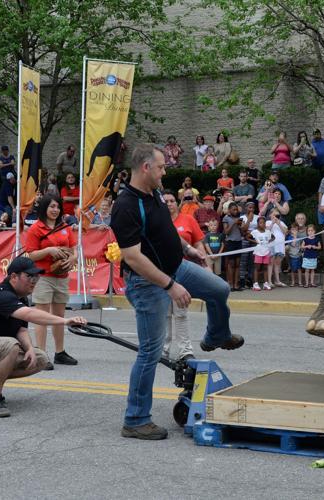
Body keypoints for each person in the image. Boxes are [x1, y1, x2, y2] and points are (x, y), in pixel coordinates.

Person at [110, 143, 244, 440]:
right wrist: (170, 286)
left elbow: (166, 231)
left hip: (176, 267)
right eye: (161, 167)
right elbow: (132, 257)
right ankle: (135, 419)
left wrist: (188, 250)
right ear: (145, 168)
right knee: (150, 352)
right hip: (147, 284)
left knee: (219, 289)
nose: (165, 171)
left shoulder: (154, 193)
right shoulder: (126, 206)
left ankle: (216, 335)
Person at [0, 257, 87, 417]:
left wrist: (29, 349)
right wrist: (65, 321)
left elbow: (20, 328)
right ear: (14, 277)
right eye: (29, 276)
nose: (34, 281)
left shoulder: (20, 297)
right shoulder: (2, 295)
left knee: (40, 358)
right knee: (8, 345)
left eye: (37, 277)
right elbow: (30, 314)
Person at [24, 194, 78, 370]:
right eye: (51, 207)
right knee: (42, 316)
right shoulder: (35, 229)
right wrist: (48, 250)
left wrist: (73, 259)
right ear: (44, 208)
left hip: (61, 276)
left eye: (57, 207)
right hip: (43, 277)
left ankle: (60, 352)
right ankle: (41, 354)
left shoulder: (65, 227)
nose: (55, 210)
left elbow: (73, 250)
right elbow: (31, 254)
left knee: (59, 317)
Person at [161, 190, 207, 362]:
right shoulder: (157, 222)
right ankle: (163, 351)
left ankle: (184, 351)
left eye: (172, 200)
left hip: (183, 272)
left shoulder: (187, 220)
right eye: (165, 201)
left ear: (177, 203)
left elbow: (198, 242)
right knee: (164, 313)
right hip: (162, 273)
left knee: (181, 313)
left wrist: (202, 259)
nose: (169, 204)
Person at [247, 215, 274, 291]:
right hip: (258, 252)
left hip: (266, 252)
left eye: (264, 223)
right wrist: (255, 241)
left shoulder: (268, 232)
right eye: (261, 223)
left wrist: (270, 241)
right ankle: (255, 284)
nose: (263, 224)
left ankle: (266, 284)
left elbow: (273, 237)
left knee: (265, 267)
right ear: (258, 224)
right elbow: (247, 237)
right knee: (257, 268)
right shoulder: (255, 232)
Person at [222, 202, 244, 289]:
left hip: (238, 242)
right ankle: (230, 284)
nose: (235, 211)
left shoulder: (239, 218)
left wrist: (240, 226)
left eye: (236, 210)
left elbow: (242, 232)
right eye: (233, 210)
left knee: (237, 264)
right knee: (231, 264)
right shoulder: (226, 218)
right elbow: (226, 232)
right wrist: (233, 223)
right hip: (230, 242)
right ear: (229, 210)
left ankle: (236, 284)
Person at [268, 209, 288, 287]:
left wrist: (279, 223)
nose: (276, 217)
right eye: (274, 215)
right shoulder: (268, 222)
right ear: (270, 215)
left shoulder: (282, 223)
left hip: (280, 246)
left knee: (277, 263)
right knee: (270, 263)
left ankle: (277, 281)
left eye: (277, 215)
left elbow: (286, 232)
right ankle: (269, 281)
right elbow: (266, 231)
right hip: (272, 245)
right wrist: (273, 223)